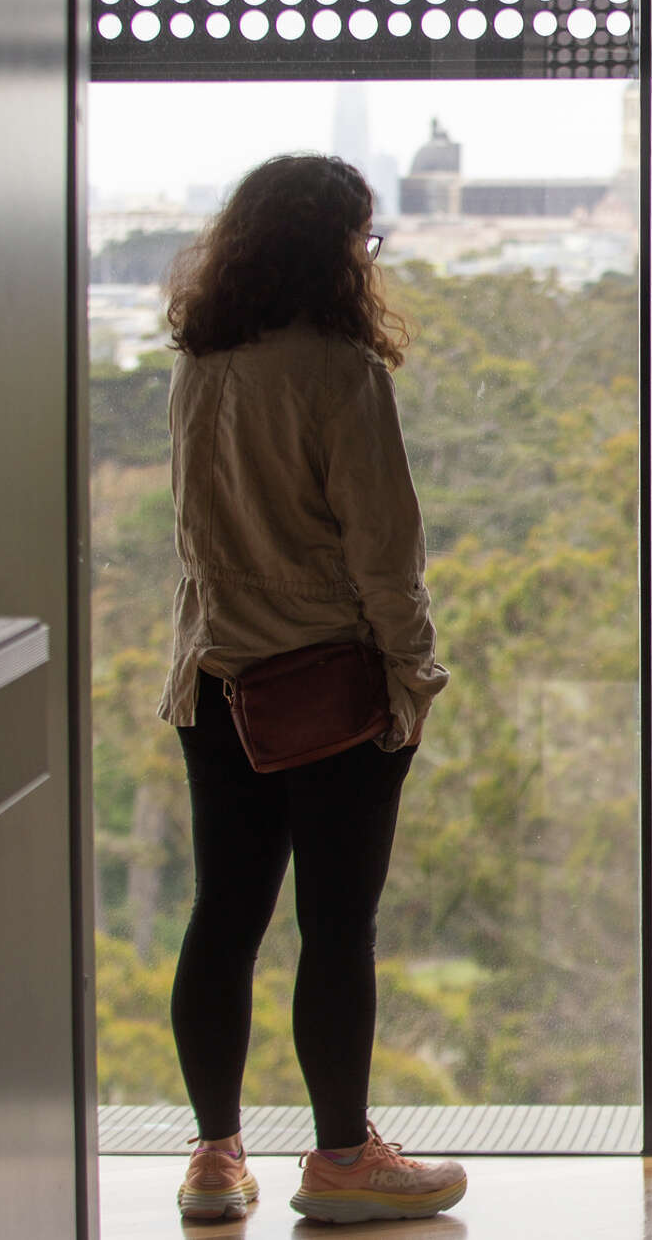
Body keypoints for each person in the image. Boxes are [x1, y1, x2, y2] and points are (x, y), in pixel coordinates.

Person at [156, 155, 466, 1223]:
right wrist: (411, 679)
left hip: (212, 679)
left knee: (222, 917)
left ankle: (213, 1158)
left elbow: (196, 536)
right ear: (335, 247)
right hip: (328, 685)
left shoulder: (201, 362)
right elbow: (387, 550)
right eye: (362, 239)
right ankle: (340, 1160)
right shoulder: (338, 370)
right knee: (337, 927)